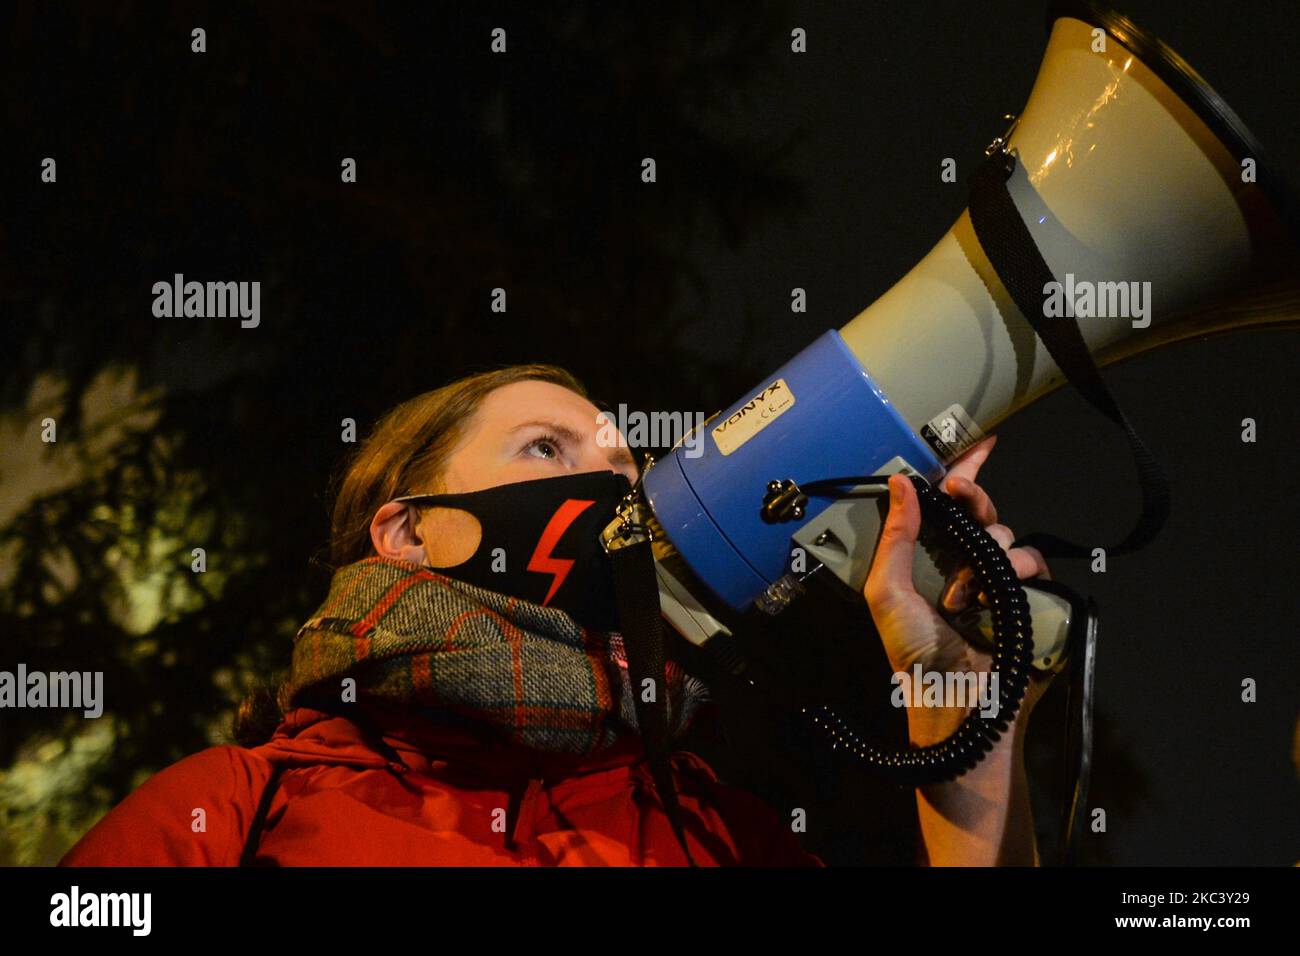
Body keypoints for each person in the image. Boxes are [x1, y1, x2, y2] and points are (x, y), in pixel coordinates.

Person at [59, 363, 1053, 867]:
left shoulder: (709, 826)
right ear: (409, 531)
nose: (616, 478)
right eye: (546, 446)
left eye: (622, 457)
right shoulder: (232, 809)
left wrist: (960, 701)